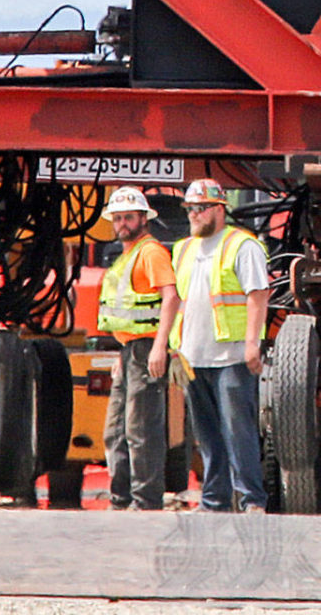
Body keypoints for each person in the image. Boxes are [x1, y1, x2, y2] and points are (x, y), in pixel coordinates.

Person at [164, 179, 271, 513]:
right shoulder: (183, 249)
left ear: (219, 209)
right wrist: (170, 348)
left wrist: (252, 344)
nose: (194, 215)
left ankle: (251, 500)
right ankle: (214, 500)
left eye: (200, 208)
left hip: (231, 357)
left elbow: (258, 295)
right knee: (207, 437)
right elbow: (176, 301)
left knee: (238, 431)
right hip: (194, 359)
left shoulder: (242, 245)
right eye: (190, 209)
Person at [97, 184, 178, 510]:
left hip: (146, 350)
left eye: (128, 217)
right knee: (116, 432)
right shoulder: (128, 255)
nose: (122, 224)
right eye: (117, 218)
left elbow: (171, 296)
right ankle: (121, 500)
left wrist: (160, 347)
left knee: (140, 430)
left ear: (143, 218)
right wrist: (121, 352)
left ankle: (145, 502)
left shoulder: (151, 252)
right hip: (130, 351)